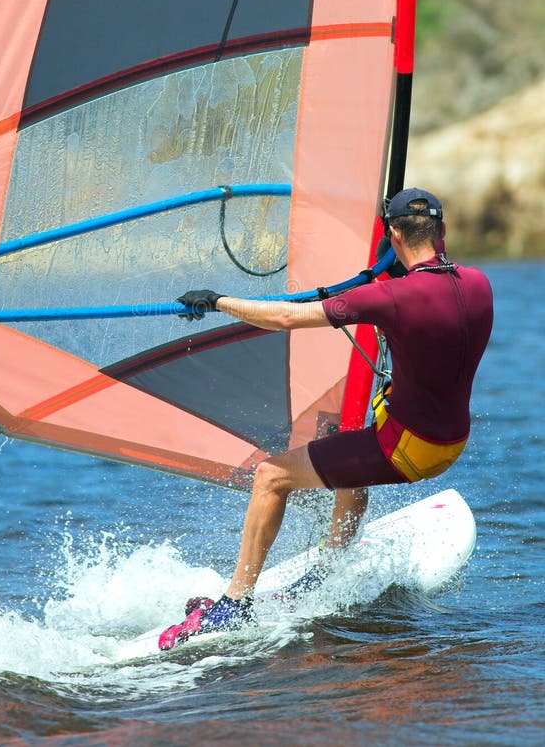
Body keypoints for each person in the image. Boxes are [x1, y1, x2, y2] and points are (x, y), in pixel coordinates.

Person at [158, 188, 493, 650]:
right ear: (443, 231)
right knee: (348, 443)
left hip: (407, 448)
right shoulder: (478, 284)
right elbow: (434, 310)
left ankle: (233, 606)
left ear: (393, 235)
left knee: (271, 477)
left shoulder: (389, 297)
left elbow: (284, 317)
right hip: (450, 440)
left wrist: (217, 301)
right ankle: (331, 565)